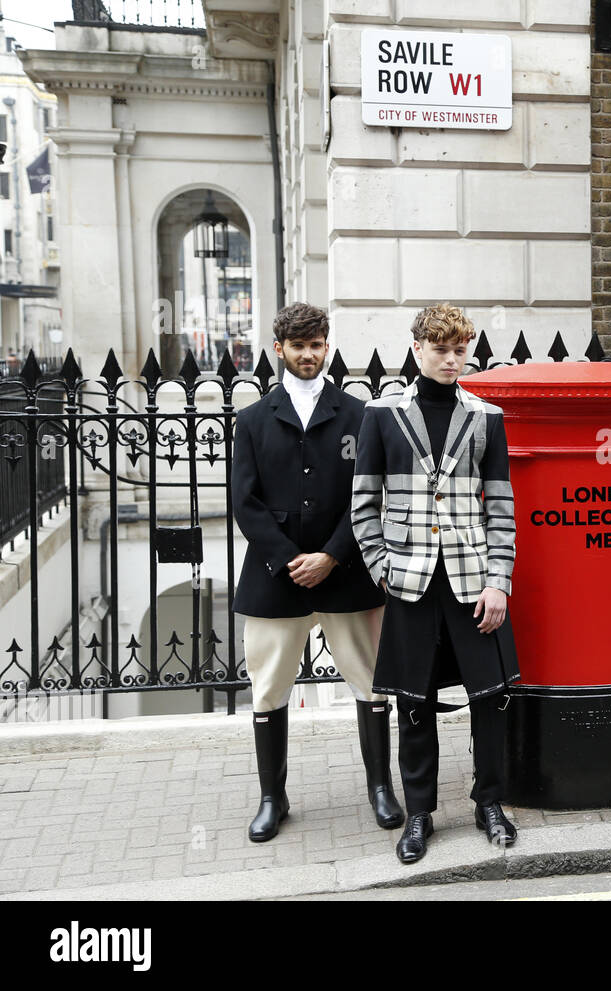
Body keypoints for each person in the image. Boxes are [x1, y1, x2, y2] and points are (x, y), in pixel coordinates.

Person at [351, 303, 520, 864]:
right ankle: (419, 812)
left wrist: (499, 582)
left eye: (460, 350)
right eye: (441, 349)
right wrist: (384, 571)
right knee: (414, 701)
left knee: (491, 698)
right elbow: (363, 505)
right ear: (418, 349)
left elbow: (500, 508)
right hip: (410, 581)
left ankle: (489, 801)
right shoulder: (381, 414)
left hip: (474, 581)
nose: (452, 360)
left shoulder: (487, 416)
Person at [231, 302, 401, 843]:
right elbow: (245, 500)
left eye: (318, 345)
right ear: (279, 349)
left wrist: (331, 554)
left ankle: (380, 787)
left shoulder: (359, 414)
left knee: (372, 685)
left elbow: (370, 497)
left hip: (347, 570)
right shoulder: (253, 420)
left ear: (327, 346)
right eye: (299, 346)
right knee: (268, 690)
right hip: (273, 575)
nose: (310, 355)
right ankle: (271, 797)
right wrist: (286, 558)